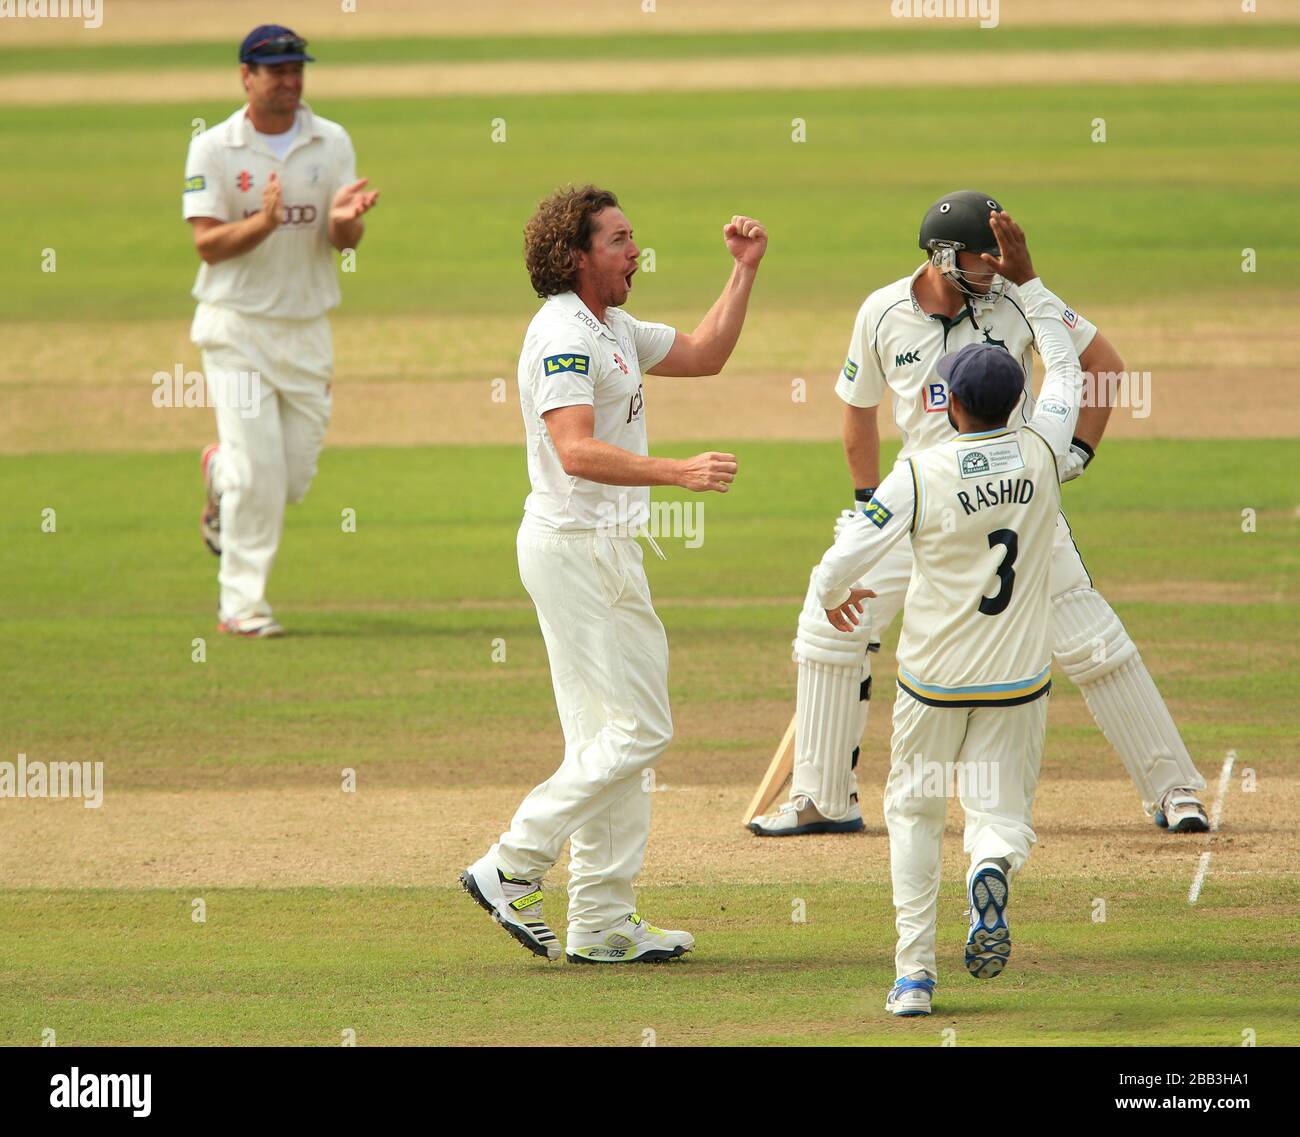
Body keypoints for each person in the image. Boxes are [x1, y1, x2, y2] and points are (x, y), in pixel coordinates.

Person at [751, 190, 1207, 837]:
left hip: (1014, 502)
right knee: (828, 627)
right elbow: (858, 409)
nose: (993, 269)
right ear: (941, 256)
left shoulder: (1019, 299)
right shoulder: (881, 311)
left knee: (1093, 645)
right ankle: (825, 796)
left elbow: (1102, 364)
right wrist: (863, 506)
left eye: (999, 257)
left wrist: (1073, 453)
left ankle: (1176, 789)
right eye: (980, 257)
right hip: (920, 499)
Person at [461, 185, 767, 963]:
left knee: (607, 739)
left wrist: (744, 269)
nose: (637, 252)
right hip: (577, 549)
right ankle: (511, 862)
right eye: (620, 240)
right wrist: (679, 472)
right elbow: (575, 449)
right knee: (639, 729)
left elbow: (706, 353)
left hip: (602, 548)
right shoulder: (563, 334)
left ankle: (600, 918)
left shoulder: (616, 326)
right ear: (576, 256)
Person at [810, 212, 1082, 1015]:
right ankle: (989, 868)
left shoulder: (921, 472)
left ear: (952, 404)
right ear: (1012, 402)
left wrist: (834, 597)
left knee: (915, 812)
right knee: (998, 812)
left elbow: (843, 560)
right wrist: (1029, 277)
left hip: (934, 682)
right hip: (1018, 676)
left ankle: (913, 977)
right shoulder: (1044, 453)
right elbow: (1065, 367)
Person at [183, 24, 379, 636]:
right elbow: (208, 245)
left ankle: (219, 472)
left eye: (298, 69)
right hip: (235, 326)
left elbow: (341, 238)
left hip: (307, 326)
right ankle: (241, 607)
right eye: (277, 72)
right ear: (247, 76)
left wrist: (347, 224)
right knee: (260, 475)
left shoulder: (331, 141)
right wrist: (264, 223)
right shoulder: (215, 148)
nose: (291, 81)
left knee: (290, 481)